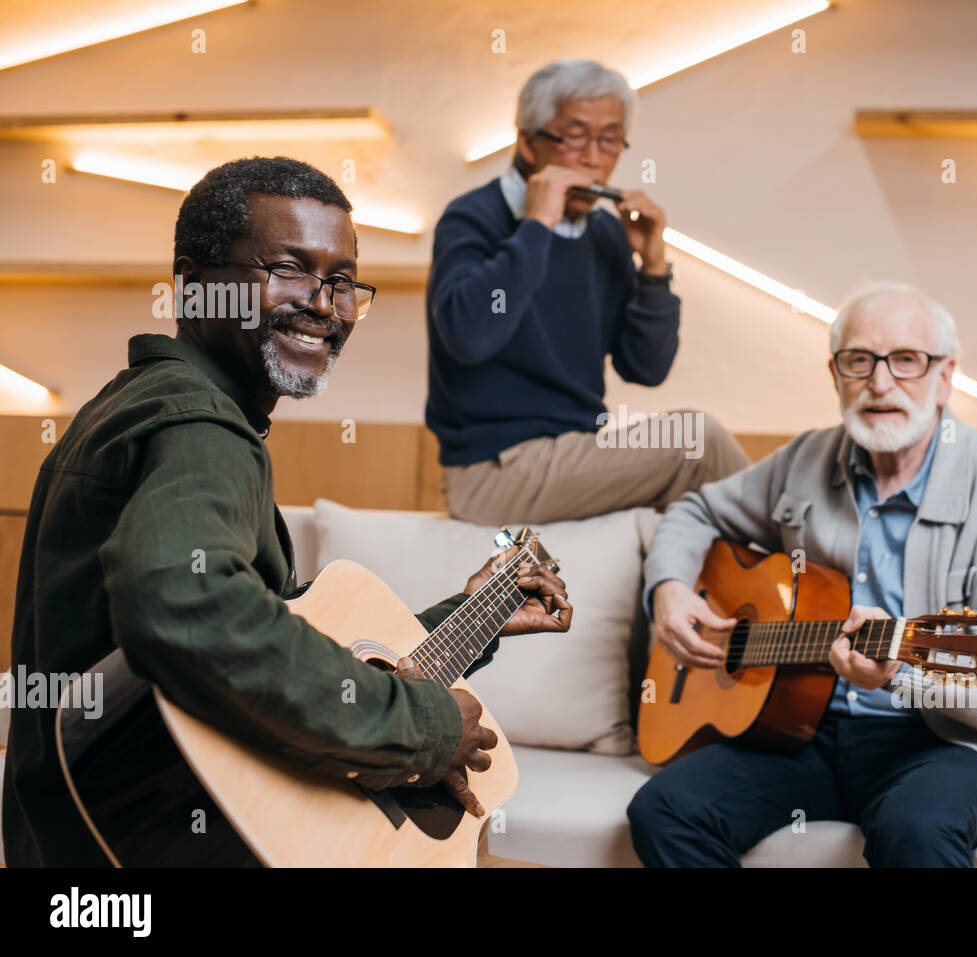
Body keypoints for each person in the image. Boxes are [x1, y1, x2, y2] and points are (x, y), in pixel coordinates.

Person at [2, 157, 571, 867]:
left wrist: (473, 615)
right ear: (194, 284)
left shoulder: (143, 407)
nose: (324, 304)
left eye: (340, 281)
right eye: (290, 269)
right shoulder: (199, 428)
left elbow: (280, 658)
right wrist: (418, 728)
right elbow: (188, 605)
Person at [627, 281, 977, 867]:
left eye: (906, 360)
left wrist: (900, 675)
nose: (880, 383)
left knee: (918, 829)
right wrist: (672, 591)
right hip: (802, 734)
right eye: (859, 360)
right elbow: (695, 510)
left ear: (946, 375)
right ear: (835, 375)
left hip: (944, 744)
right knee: (665, 810)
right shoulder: (805, 459)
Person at [425, 58, 750, 525]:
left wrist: (653, 268)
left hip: (578, 450)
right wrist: (538, 225)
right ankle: (815, 571)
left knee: (692, 516)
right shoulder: (473, 217)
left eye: (610, 139)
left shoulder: (605, 234)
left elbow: (646, 368)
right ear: (527, 143)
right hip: (490, 469)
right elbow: (471, 336)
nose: (594, 158)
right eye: (575, 137)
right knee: (697, 439)